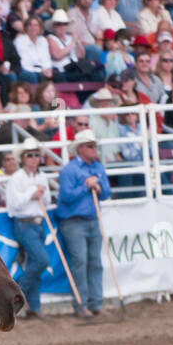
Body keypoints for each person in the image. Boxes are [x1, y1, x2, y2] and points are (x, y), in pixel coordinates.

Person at [57, 129, 112, 318]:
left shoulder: (98, 168)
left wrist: (98, 186)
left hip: (92, 219)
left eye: (94, 145)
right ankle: (81, 305)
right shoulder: (68, 170)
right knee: (80, 262)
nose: (94, 149)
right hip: (73, 222)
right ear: (80, 149)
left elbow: (106, 194)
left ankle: (95, 303)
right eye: (90, 146)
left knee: (95, 262)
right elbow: (65, 196)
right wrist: (86, 186)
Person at [4, 138, 53, 321]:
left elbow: (47, 201)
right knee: (41, 261)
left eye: (36, 155)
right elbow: (14, 205)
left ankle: (35, 307)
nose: (34, 158)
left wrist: (40, 193)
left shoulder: (42, 177)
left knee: (36, 263)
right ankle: (16, 295)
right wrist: (32, 193)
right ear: (23, 158)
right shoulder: (16, 179)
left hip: (38, 223)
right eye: (30, 155)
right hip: (24, 223)